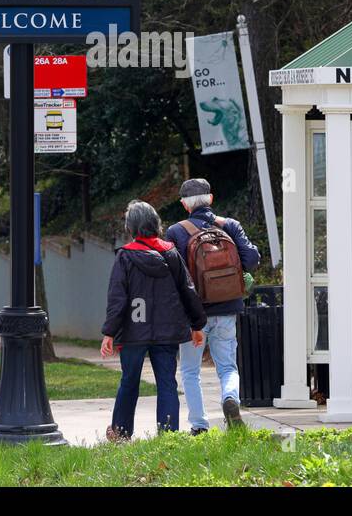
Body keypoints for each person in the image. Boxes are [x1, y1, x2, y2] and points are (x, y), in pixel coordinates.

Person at [101, 200, 206, 441]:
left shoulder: (125, 257)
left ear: (131, 227)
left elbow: (118, 299)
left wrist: (109, 332)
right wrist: (197, 325)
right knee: (167, 383)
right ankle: (168, 436)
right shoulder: (171, 253)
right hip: (167, 333)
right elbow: (188, 290)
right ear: (155, 224)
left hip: (133, 333)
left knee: (129, 381)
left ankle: (121, 433)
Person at [165, 178, 262, 434]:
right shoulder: (229, 225)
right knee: (228, 367)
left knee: (189, 371)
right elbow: (252, 258)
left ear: (185, 205)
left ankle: (199, 425)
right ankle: (230, 397)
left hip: (193, 316)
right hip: (228, 309)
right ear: (211, 199)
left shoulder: (176, 232)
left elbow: (173, 276)